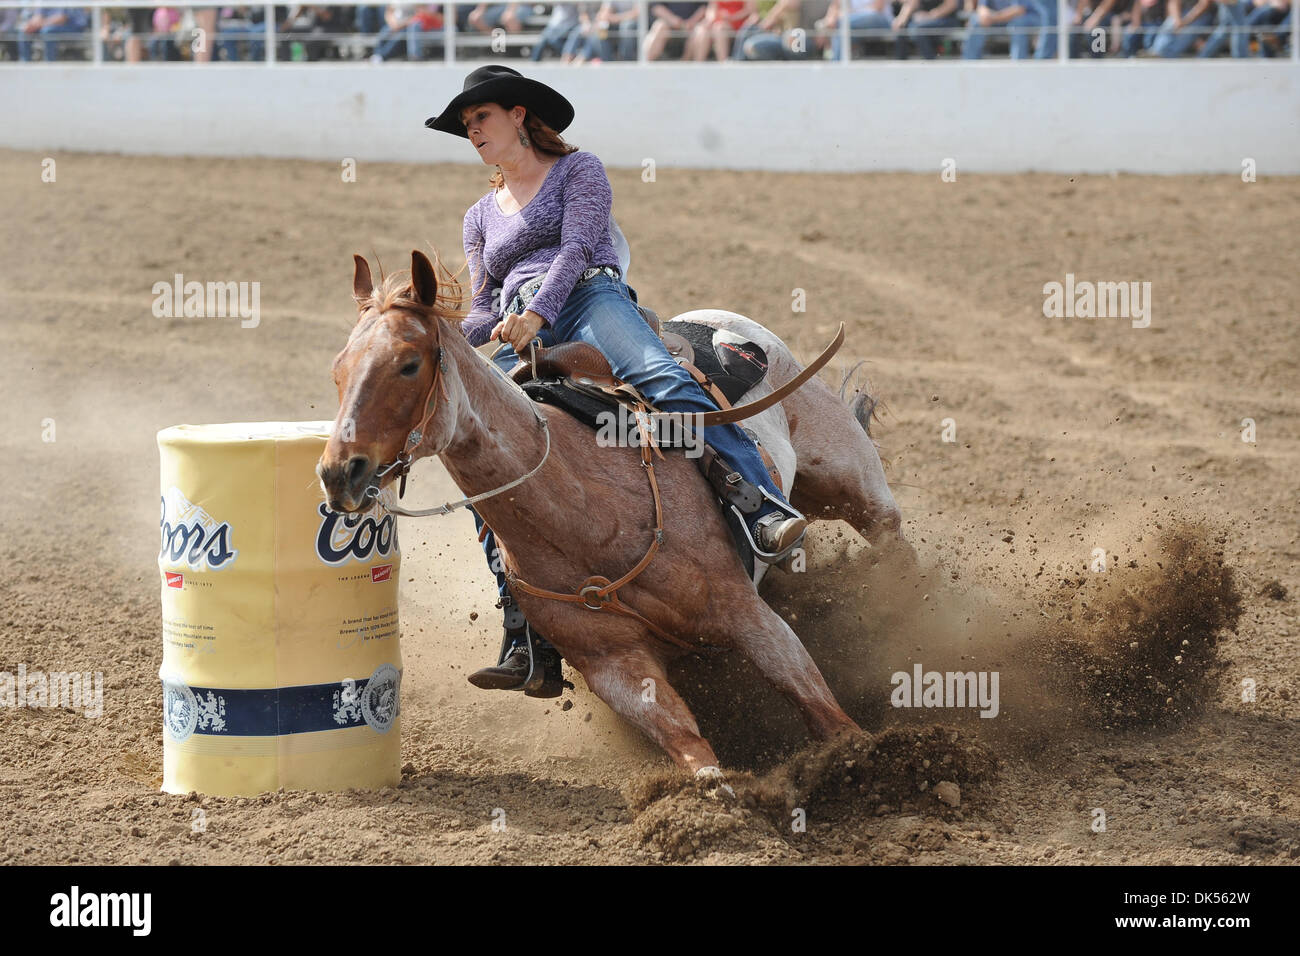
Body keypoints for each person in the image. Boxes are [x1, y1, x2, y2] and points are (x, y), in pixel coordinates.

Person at [424, 65, 809, 697]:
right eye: (466, 126)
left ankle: (759, 501)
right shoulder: (478, 215)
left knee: (661, 376)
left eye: (480, 118)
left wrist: (539, 314)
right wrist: (443, 340)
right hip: (518, 323)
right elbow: (485, 303)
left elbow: (579, 247)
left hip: (587, 299)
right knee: (481, 452)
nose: (472, 133)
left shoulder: (581, 170)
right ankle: (525, 631)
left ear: (519, 115)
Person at [963, 0, 1040, 57]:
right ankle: (969, 62)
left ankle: (1018, 64)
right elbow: (981, 7)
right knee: (976, 22)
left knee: (1018, 24)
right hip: (994, 20)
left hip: (1014, 20)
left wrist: (995, 17)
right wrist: (984, 15)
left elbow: (1019, 10)